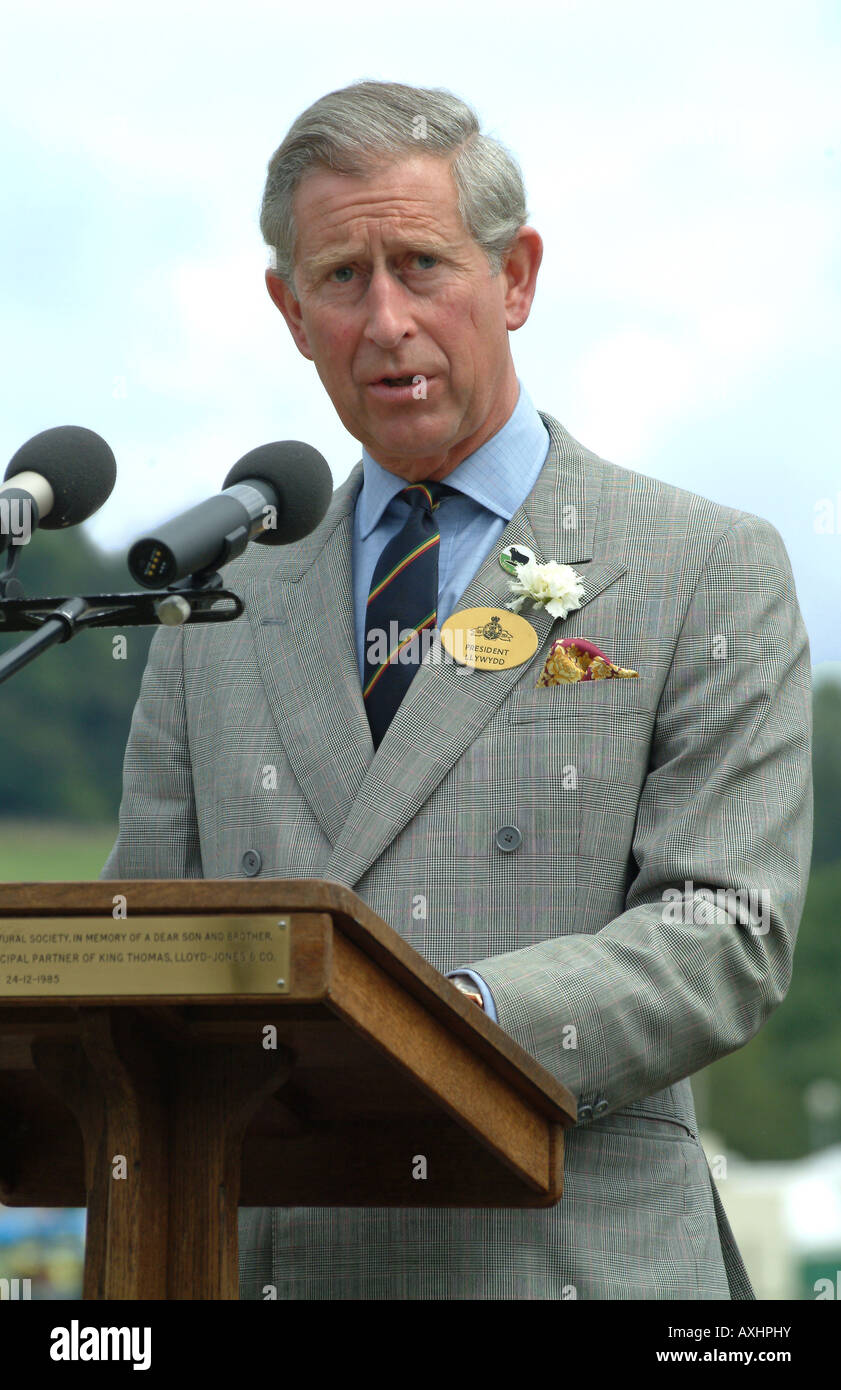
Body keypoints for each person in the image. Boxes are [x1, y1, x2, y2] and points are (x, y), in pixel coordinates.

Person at [102, 79, 813, 1300]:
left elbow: (726, 934)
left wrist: (438, 1026)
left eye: (421, 264)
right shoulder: (215, 603)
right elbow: (138, 944)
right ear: (288, 309)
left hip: (561, 1263)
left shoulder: (703, 563)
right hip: (271, 1267)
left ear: (517, 276)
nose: (385, 320)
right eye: (340, 277)